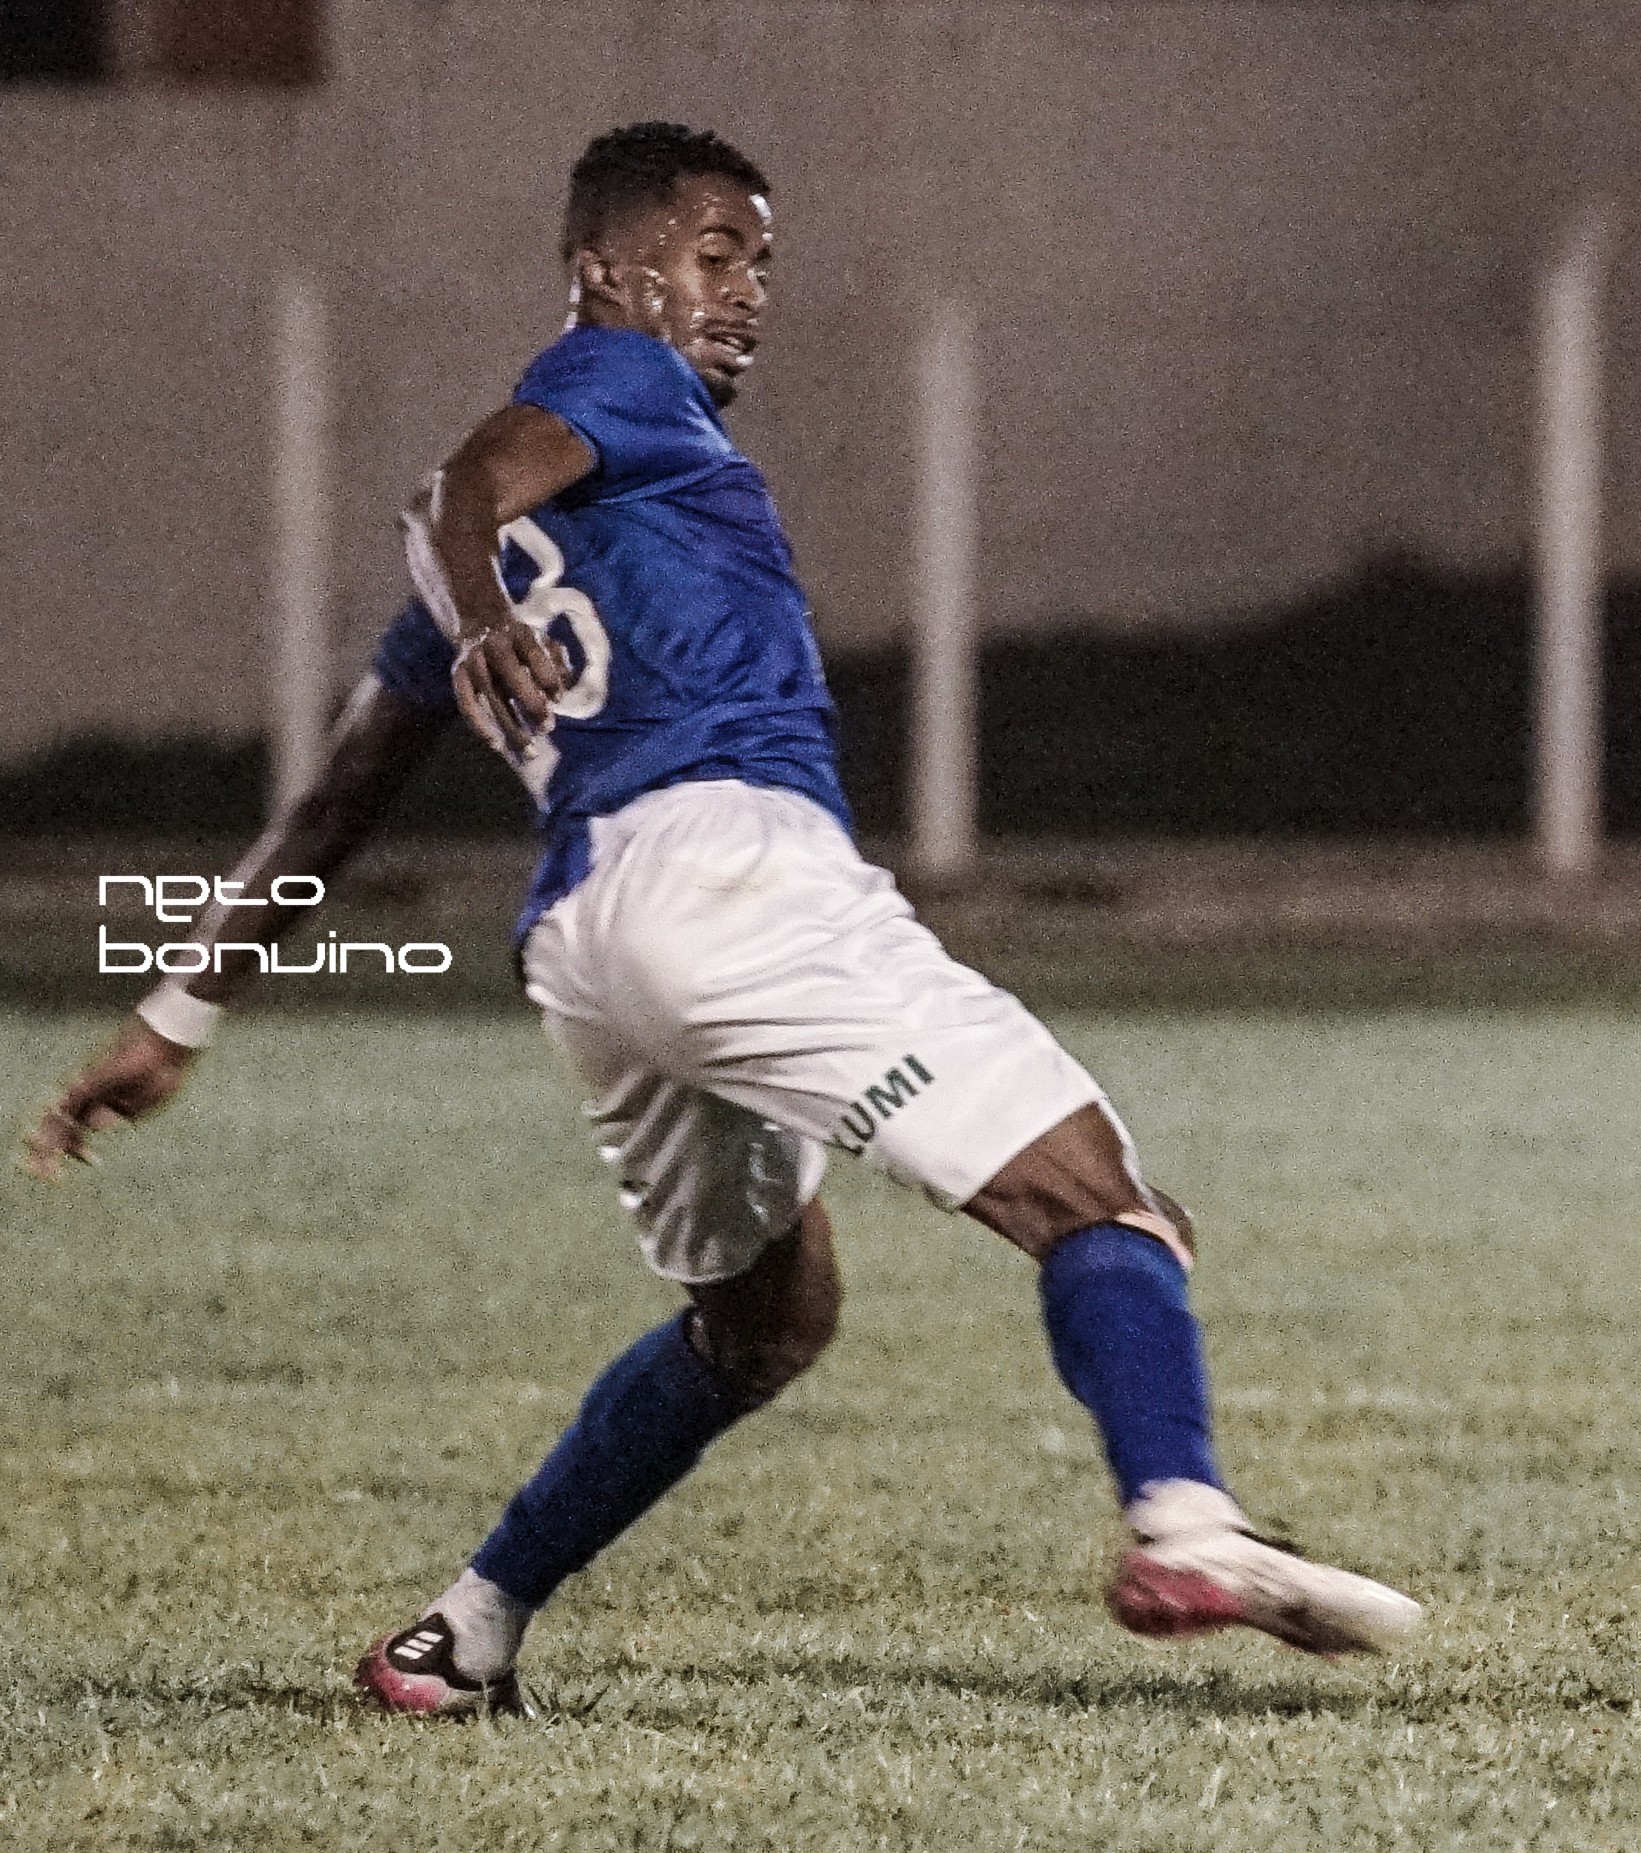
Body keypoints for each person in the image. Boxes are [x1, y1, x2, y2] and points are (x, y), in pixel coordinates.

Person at [25, 121, 1419, 1718]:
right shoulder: (616, 384)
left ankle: (462, 1634)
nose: (747, 290)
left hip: (591, 943)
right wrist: (480, 600)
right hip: (734, 879)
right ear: (605, 271)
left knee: (764, 1319)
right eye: (714, 252)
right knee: (1103, 1200)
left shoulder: (524, 525)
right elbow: (472, 470)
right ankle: (1184, 1524)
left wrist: (179, 1016)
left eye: (761, 259)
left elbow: (338, 797)